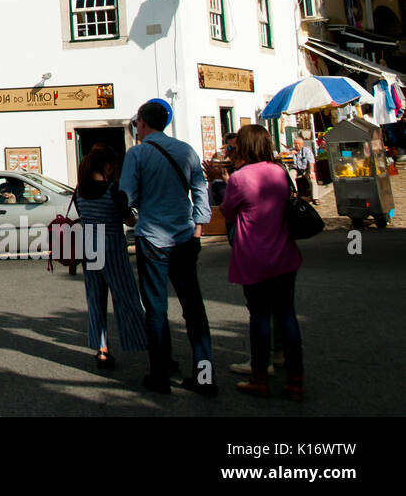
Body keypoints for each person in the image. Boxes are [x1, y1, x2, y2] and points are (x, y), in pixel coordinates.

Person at [119, 100, 216, 396]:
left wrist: (133, 216)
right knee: (194, 308)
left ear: (144, 124)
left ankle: (160, 374)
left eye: (137, 125)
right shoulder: (186, 150)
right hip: (185, 237)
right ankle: (204, 376)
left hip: (152, 239)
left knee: (156, 310)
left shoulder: (136, 154)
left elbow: (125, 195)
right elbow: (200, 189)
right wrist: (199, 226)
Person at [221, 126, 305, 401]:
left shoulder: (239, 178)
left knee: (259, 317)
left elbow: (228, 211)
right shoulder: (279, 172)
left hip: (254, 255)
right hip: (283, 252)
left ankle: (259, 377)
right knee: (287, 316)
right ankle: (295, 380)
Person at [75, 146, 145, 368]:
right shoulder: (113, 189)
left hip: (88, 246)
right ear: (106, 166)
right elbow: (128, 220)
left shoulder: (79, 190)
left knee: (95, 298)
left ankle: (102, 349)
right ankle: (141, 342)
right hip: (111, 245)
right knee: (126, 297)